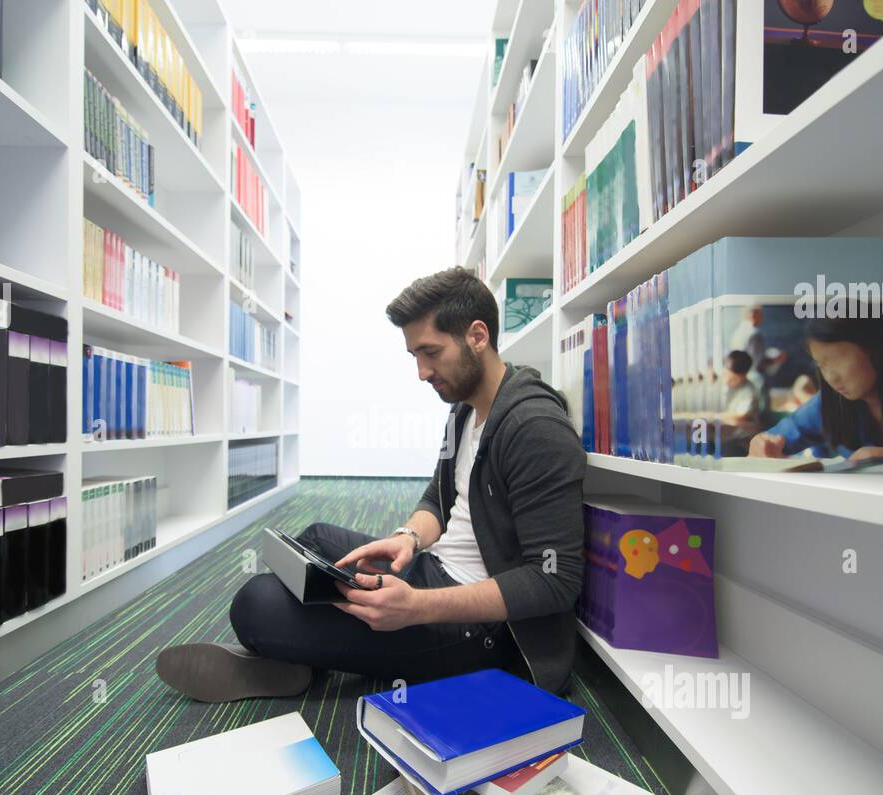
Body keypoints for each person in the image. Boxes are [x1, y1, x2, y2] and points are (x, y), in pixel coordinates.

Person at [155, 267, 587, 702]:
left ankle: (292, 659)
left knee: (257, 604)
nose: (421, 372)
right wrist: (408, 538)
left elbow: (554, 580)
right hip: (435, 570)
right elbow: (437, 502)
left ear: (477, 336)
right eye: (414, 356)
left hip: (484, 632)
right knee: (315, 542)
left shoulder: (536, 428)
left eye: (431, 352)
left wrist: (417, 608)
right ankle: (301, 656)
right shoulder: (465, 410)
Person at [748, 315, 883, 463]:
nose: (831, 377)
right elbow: (776, 438)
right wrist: (762, 444)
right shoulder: (827, 402)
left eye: (838, 361)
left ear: (874, 350)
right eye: (821, 365)